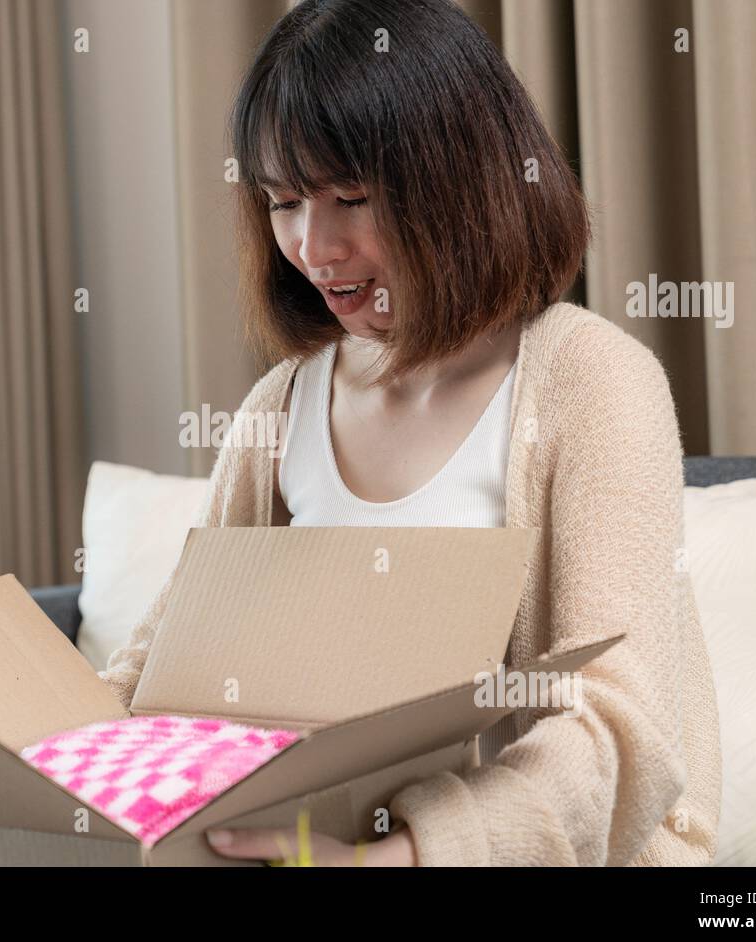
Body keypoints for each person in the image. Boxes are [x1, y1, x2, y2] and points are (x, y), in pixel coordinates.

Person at [99, 0, 721, 866]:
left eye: (350, 196)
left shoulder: (591, 381)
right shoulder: (277, 412)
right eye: (282, 203)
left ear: (463, 181)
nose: (313, 246)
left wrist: (414, 853)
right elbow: (159, 671)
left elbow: (620, 725)